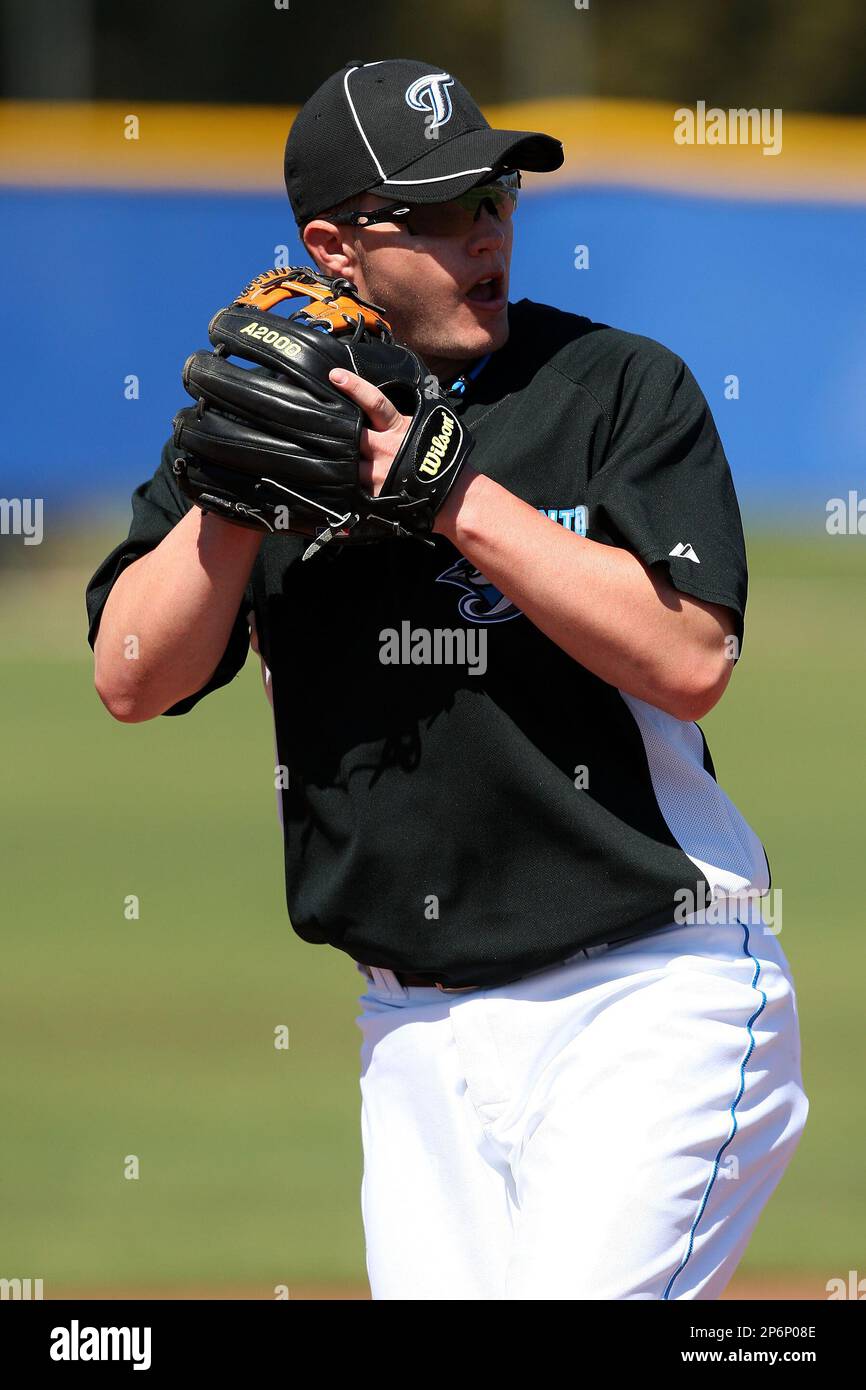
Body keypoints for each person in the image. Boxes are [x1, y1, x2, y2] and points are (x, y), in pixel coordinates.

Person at [86, 59, 808, 1300]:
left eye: (494, 196)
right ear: (332, 248)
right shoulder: (270, 415)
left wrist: (451, 494)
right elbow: (131, 677)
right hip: (412, 1036)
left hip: (650, 995)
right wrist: (229, 503)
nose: (482, 232)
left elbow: (691, 659)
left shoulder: (611, 388)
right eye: (432, 211)